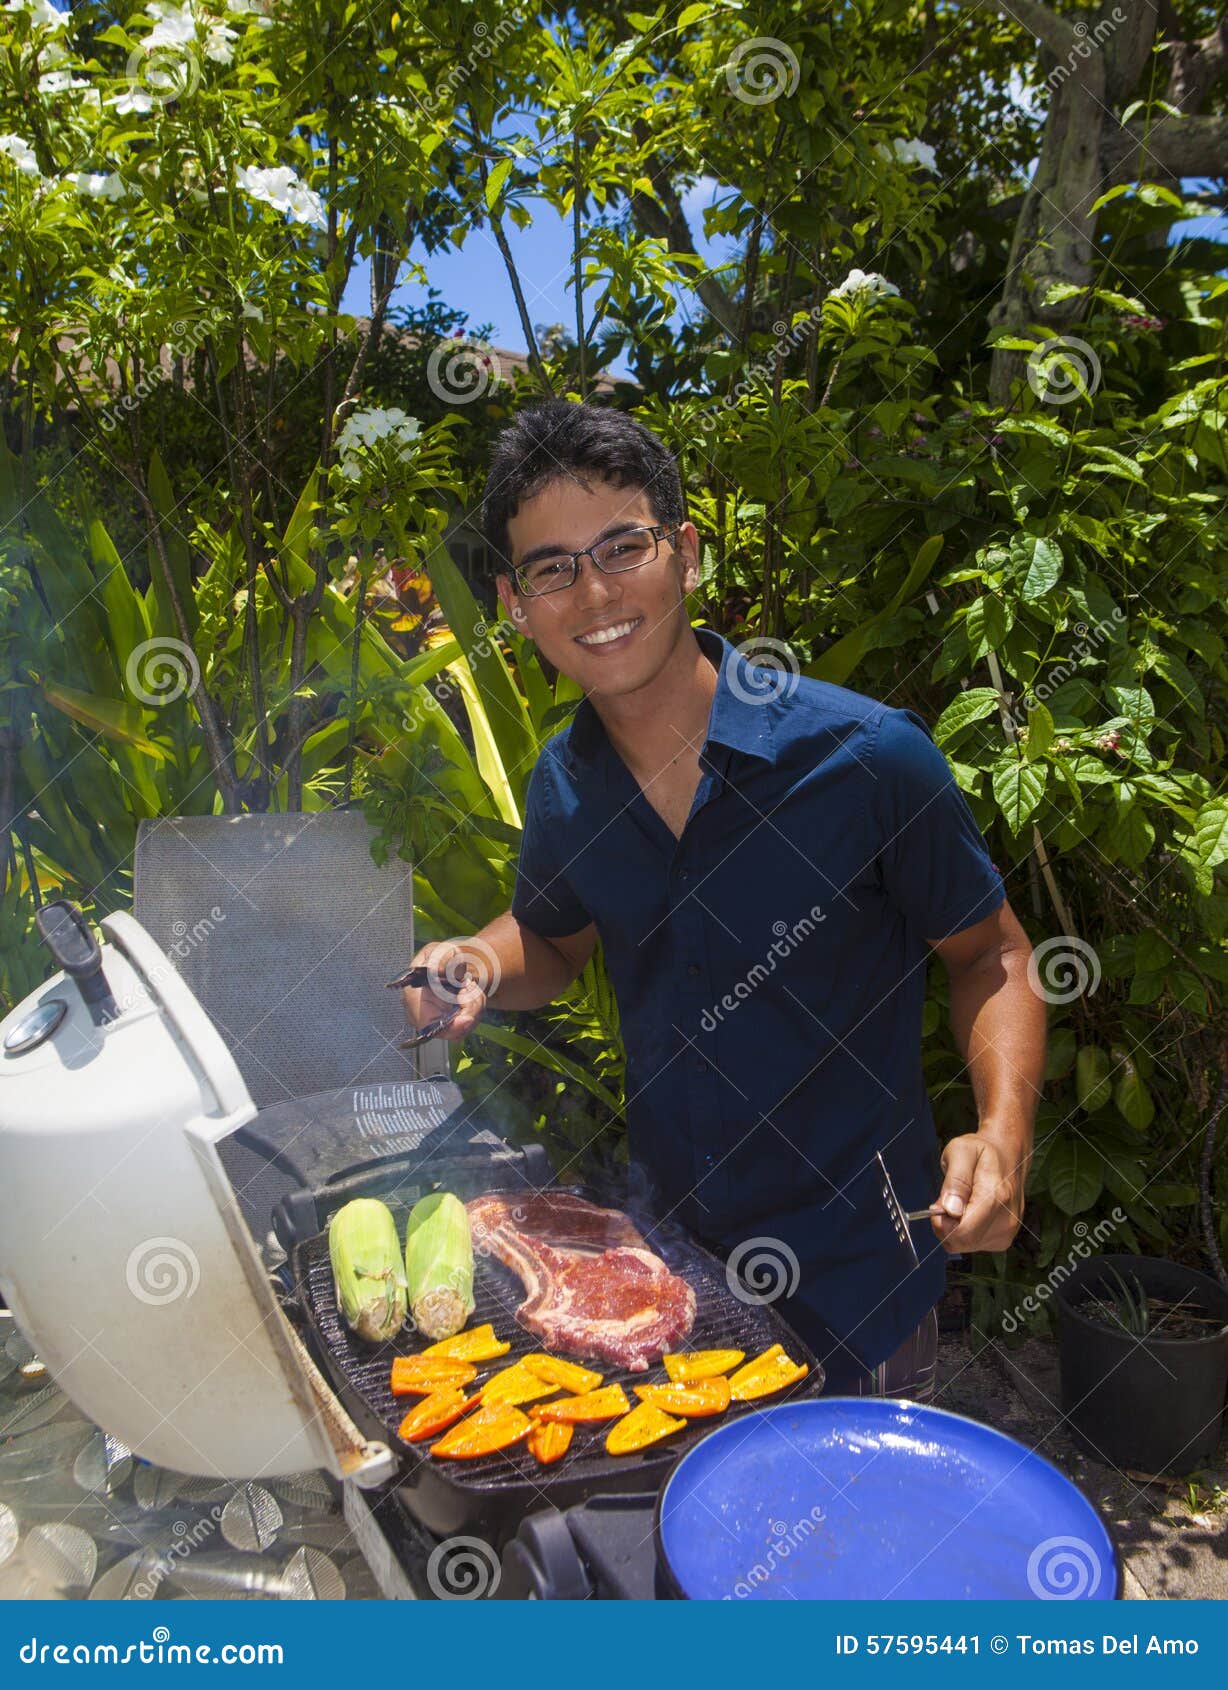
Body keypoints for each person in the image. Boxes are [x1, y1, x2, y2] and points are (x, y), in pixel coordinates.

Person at [401, 400, 1046, 1398]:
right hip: (670, 1272)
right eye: (552, 567)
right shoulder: (565, 785)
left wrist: (1001, 1139)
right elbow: (553, 939)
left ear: (686, 553)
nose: (594, 590)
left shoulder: (867, 760)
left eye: (623, 546)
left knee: (859, 1543)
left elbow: (992, 955)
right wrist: (479, 960)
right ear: (515, 603)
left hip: (857, 1272)